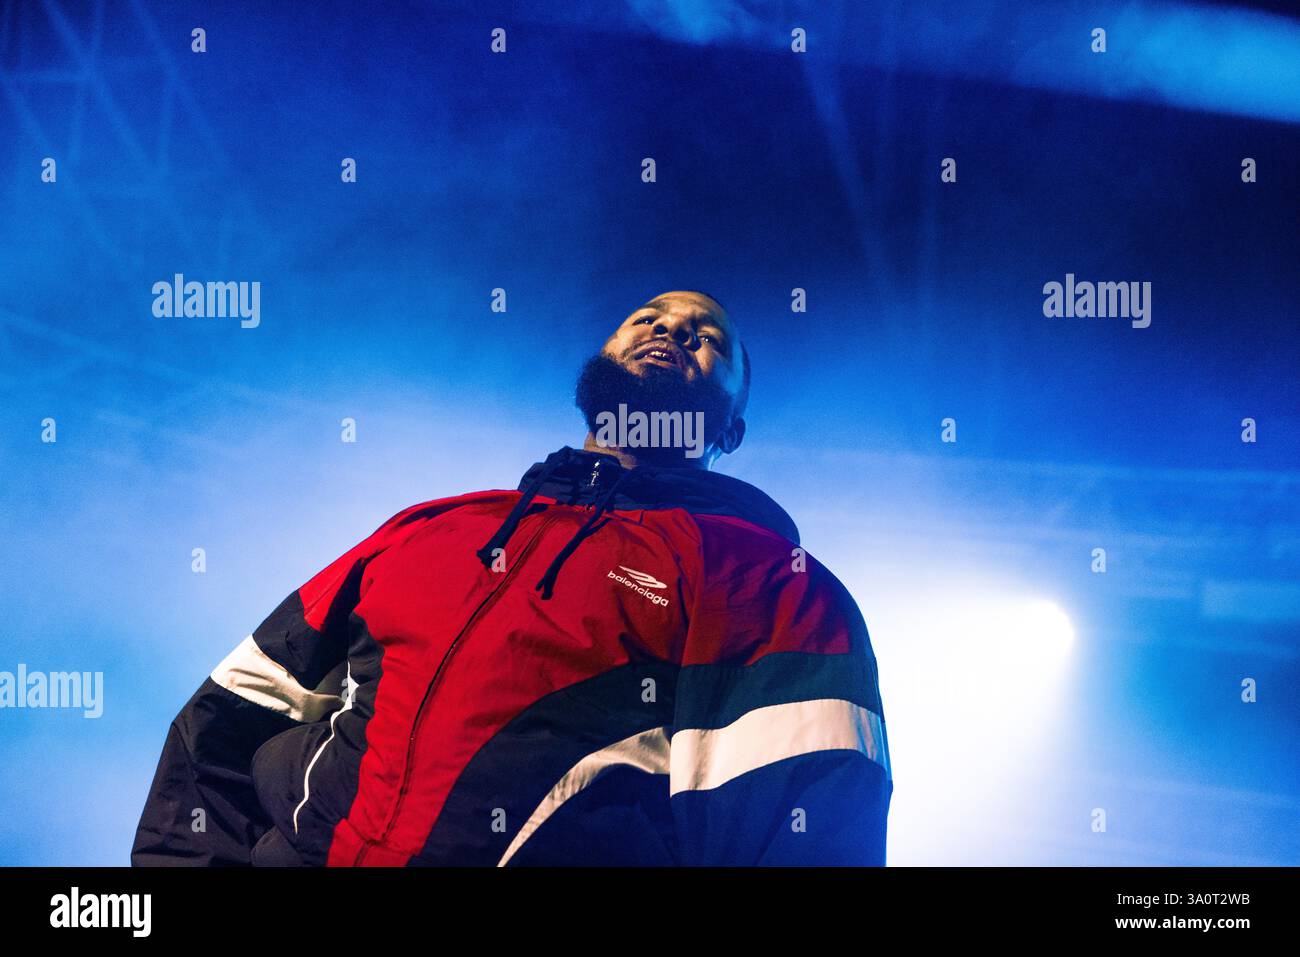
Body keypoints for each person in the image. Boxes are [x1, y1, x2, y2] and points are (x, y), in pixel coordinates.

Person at [130, 289, 893, 866]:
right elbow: (225, 719)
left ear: (730, 428)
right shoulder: (431, 528)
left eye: (706, 338)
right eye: (649, 318)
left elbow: (811, 818)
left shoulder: (774, 584)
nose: (669, 329)